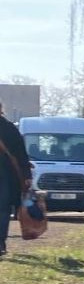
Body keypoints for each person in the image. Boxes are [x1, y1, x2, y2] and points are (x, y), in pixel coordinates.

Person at [0, 104, 33, 258]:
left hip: (5, 176)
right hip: (6, 177)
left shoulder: (9, 128)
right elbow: (21, 154)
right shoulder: (10, 128)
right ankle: (0, 243)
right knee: (3, 210)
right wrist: (26, 176)